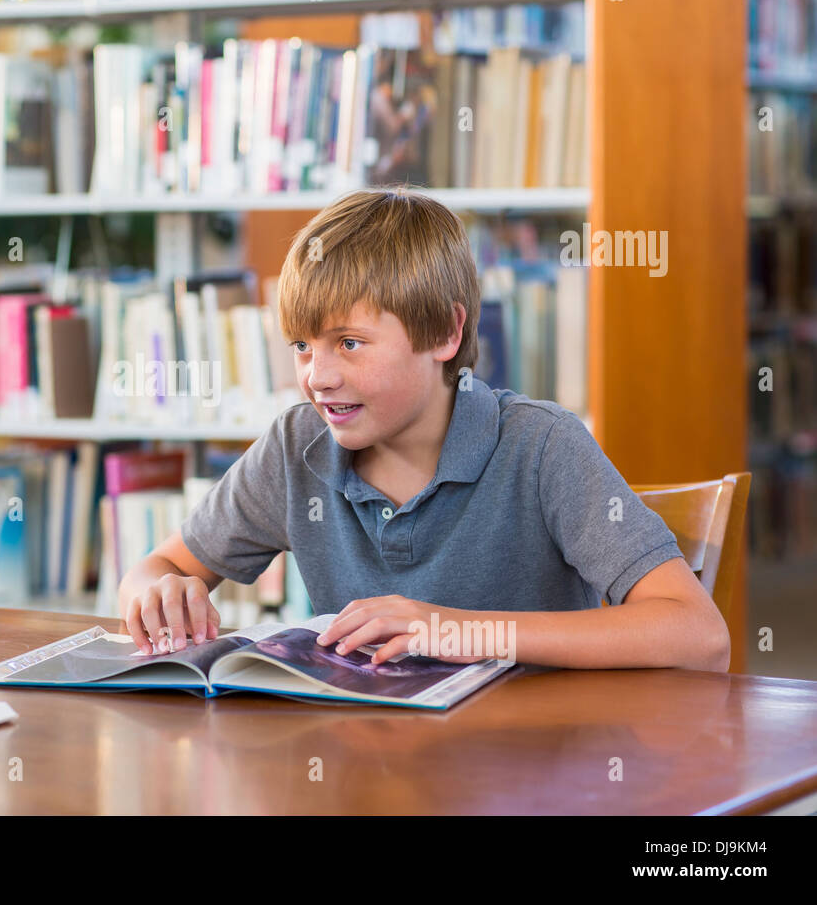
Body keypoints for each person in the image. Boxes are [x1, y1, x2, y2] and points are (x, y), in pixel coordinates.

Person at [117, 187, 730, 672]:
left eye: (349, 343)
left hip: (531, 771)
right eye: (302, 346)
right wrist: (156, 593)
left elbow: (698, 635)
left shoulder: (542, 447)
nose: (317, 377)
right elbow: (158, 568)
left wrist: (453, 628)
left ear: (445, 333)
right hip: (369, 769)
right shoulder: (294, 447)